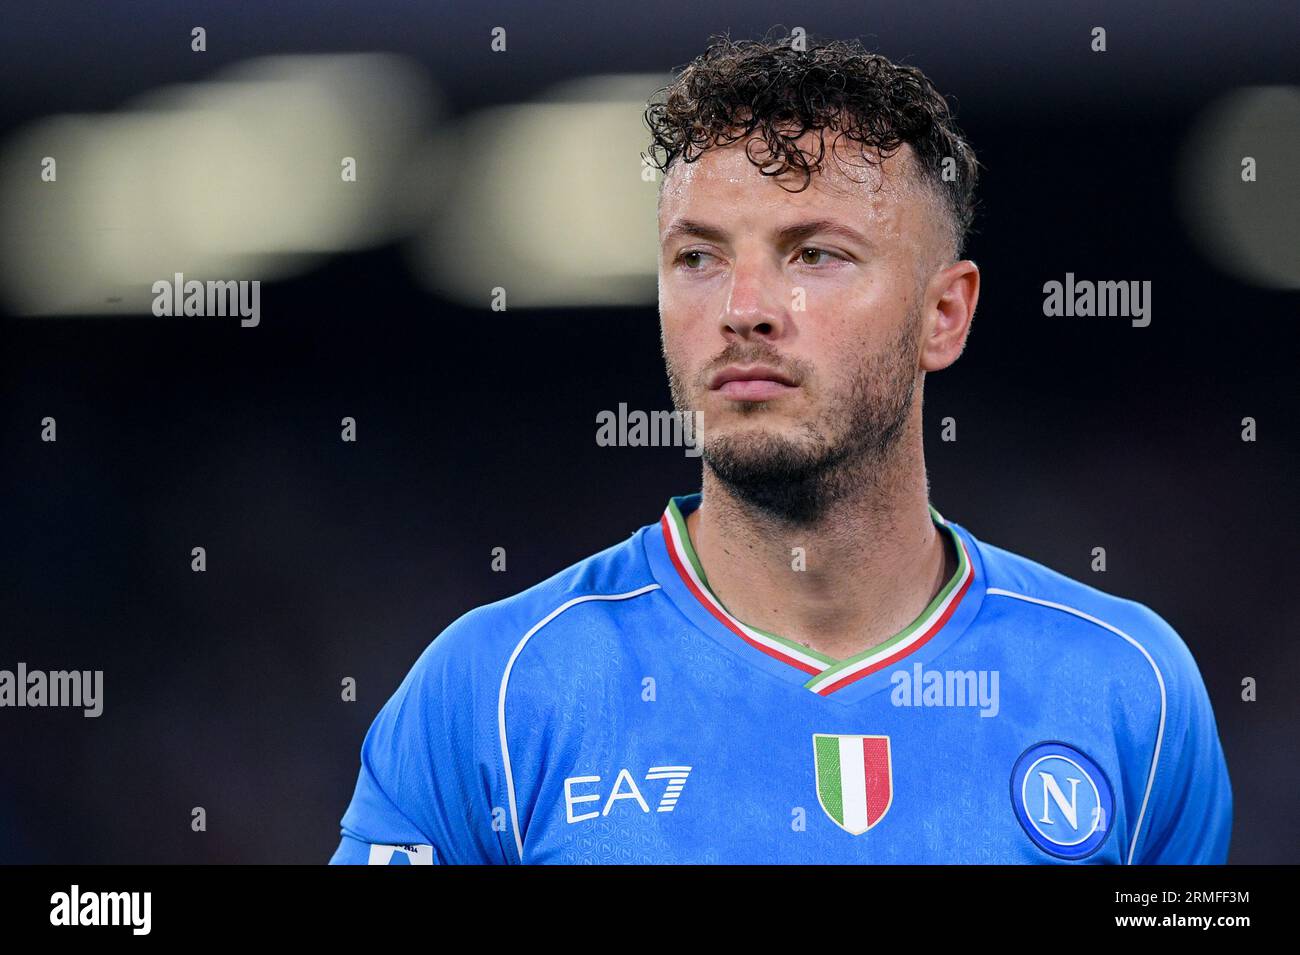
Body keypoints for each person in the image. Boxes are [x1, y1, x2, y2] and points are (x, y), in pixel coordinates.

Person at [330, 34, 1231, 864]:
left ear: (944, 313)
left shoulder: (1129, 691)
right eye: (698, 258)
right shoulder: (490, 695)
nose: (744, 306)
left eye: (815, 255)